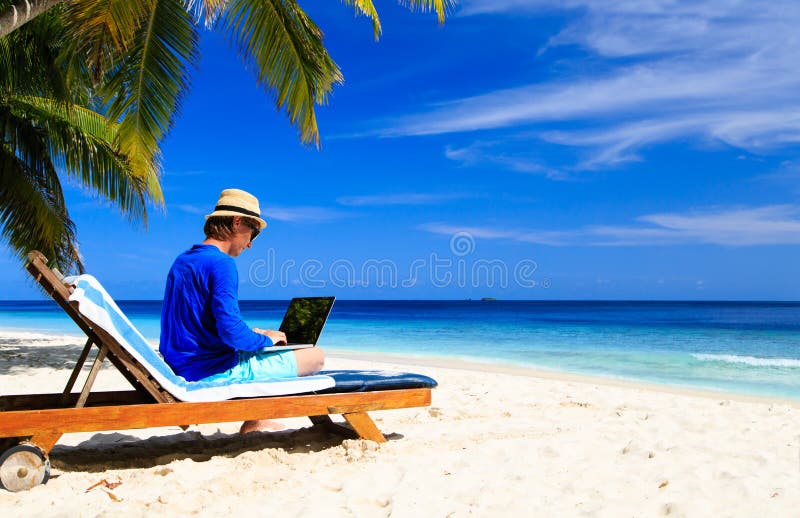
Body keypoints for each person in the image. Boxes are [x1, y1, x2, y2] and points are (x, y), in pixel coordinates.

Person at [160, 188, 325, 433]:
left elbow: (199, 323)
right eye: (253, 233)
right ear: (237, 222)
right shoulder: (222, 264)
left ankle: (256, 419)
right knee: (315, 356)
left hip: (182, 364)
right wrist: (263, 339)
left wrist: (256, 335)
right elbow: (230, 333)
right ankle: (254, 423)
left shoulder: (183, 261)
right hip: (209, 371)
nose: (250, 244)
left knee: (267, 346)